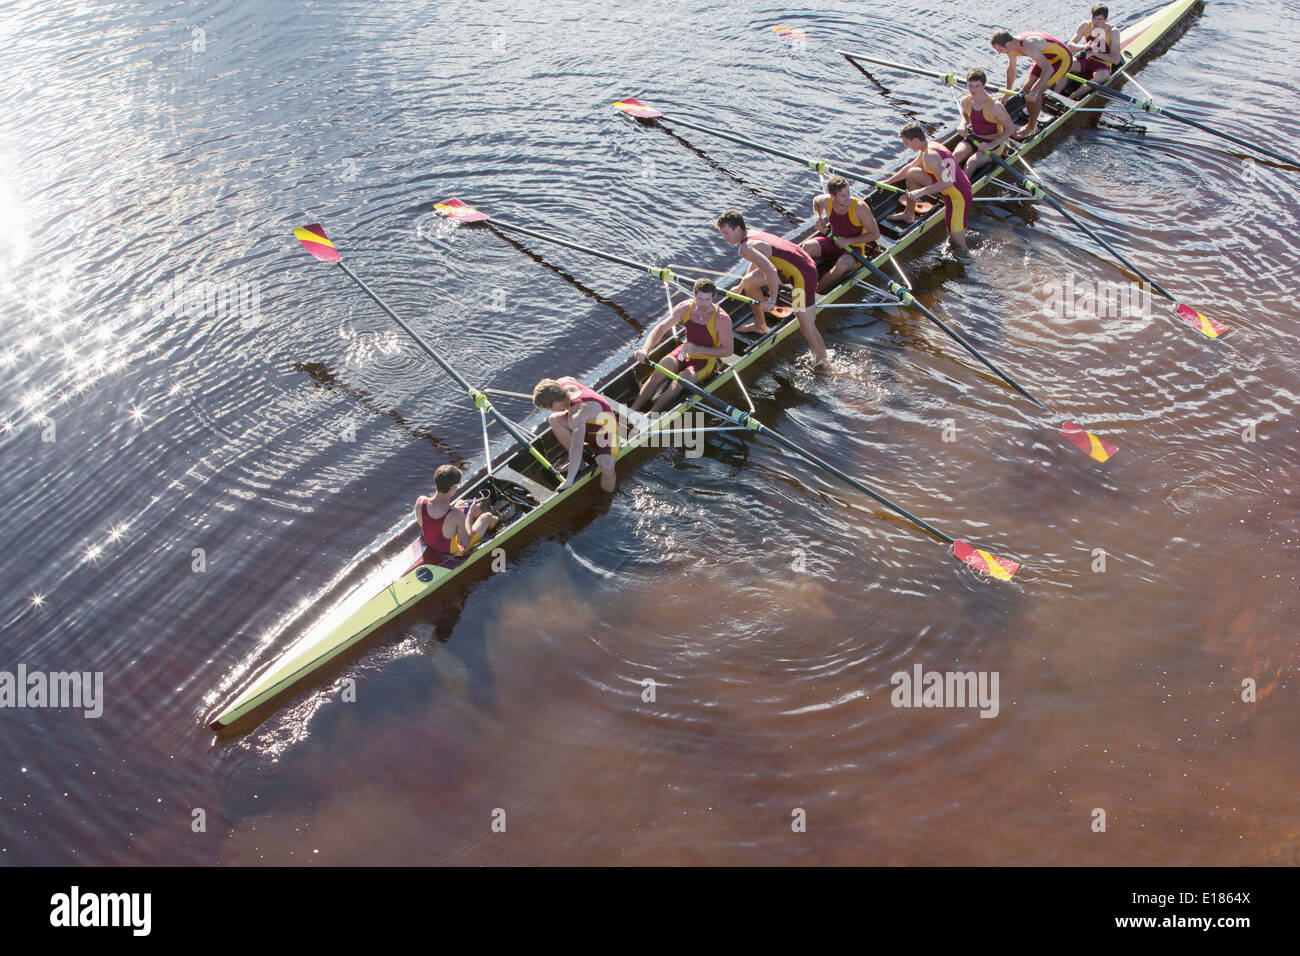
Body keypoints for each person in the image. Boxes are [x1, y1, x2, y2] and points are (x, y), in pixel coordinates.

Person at [714, 209, 828, 365]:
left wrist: (772, 301)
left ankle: (823, 362)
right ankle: (760, 326)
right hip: (796, 266)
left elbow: (771, 271)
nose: (724, 237)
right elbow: (759, 261)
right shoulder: (751, 234)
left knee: (806, 326)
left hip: (803, 276)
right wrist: (741, 286)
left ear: (738, 228)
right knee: (748, 282)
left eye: (726, 233)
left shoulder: (745, 248)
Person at [631, 277, 734, 414]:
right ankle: (631, 412)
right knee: (659, 371)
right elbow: (661, 328)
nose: (703, 304)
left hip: (705, 361)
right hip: (684, 352)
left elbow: (728, 351)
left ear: (714, 297)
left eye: (707, 299)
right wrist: (645, 349)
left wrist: (698, 349)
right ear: (694, 293)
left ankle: (649, 417)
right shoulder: (685, 307)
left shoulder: (722, 319)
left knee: (679, 381)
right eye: (700, 299)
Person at [883, 122, 974, 251]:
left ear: (915, 140)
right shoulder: (928, 146)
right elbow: (911, 167)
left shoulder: (930, 155)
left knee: (958, 243)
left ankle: (967, 264)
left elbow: (947, 182)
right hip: (952, 188)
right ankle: (908, 214)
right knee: (913, 173)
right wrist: (887, 182)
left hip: (958, 197)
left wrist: (920, 192)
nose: (906, 146)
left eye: (906, 143)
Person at [532, 377, 618, 492]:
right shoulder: (563, 383)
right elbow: (567, 380)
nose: (549, 410)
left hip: (607, 434)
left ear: (556, 403)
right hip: (588, 424)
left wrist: (569, 480)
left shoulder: (577, 413)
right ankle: (580, 465)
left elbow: (577, 448)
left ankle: (609, 495)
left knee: (606, 465)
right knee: (554, 419)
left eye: (549, 408)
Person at [800, 175, 882, 293]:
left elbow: (875, 235)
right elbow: (816, 201)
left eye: (848, 193)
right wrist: (817, 218)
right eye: (843, 195)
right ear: (832, 196)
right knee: (807, 246)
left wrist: (848, 241)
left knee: (841, 266)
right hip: (833, 241)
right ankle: (800, 280)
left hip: (854, 249)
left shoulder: (859, 208)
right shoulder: (827, 201)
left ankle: (815, 292)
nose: (848, 198)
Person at [991, 28, 1073, 138]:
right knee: (1026, 89)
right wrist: (1007, 93)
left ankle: (1032, 127)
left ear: (1008, 44)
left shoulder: (1029, 46)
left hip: (1061, 59)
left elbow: (1048, 69)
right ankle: (1032, 121)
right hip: (1045, 58)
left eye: (999, 49)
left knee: (1035, 91)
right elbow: (1011, 69)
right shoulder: (1011, 47)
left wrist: (1035, 91)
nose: (999, 52)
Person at [415, 464, 500, 561]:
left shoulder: (420, 501)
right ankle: (499, 518)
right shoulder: (455, 514)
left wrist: (454, 510)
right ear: (452, 488)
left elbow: (424, 524)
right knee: (487, 516)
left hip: (430, 541)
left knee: (460, 502)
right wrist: (470, 513)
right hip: (452, 551)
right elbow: (465, 542)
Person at [954, 67, 1016, 175]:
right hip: (974, 138)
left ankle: (962, 190)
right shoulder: (965, 101)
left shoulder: (995, 106)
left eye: (977, 86)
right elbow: (965, 116)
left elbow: (1010, 129)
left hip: (993, 144)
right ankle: (942, 185)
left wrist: (991, 145)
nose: (973, 90)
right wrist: (962, 124)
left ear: (984, 85)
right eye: (970, 86)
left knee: (971, 163)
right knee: (954, 157)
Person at [1068, 5, 1122, 88]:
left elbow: (1116, 60)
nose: (1095, 22)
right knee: (1067, 64)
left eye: (1099, 19)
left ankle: (1073, 98)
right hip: (1087, 60)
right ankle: (1053, 93)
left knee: (1101, 77)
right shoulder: (1085, 25)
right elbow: (1069, 46)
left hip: (1103, 65)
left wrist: (1094, 53)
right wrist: (1083, 46)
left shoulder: (1113, 32)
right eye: (1093, 18)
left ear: (1105, 19)